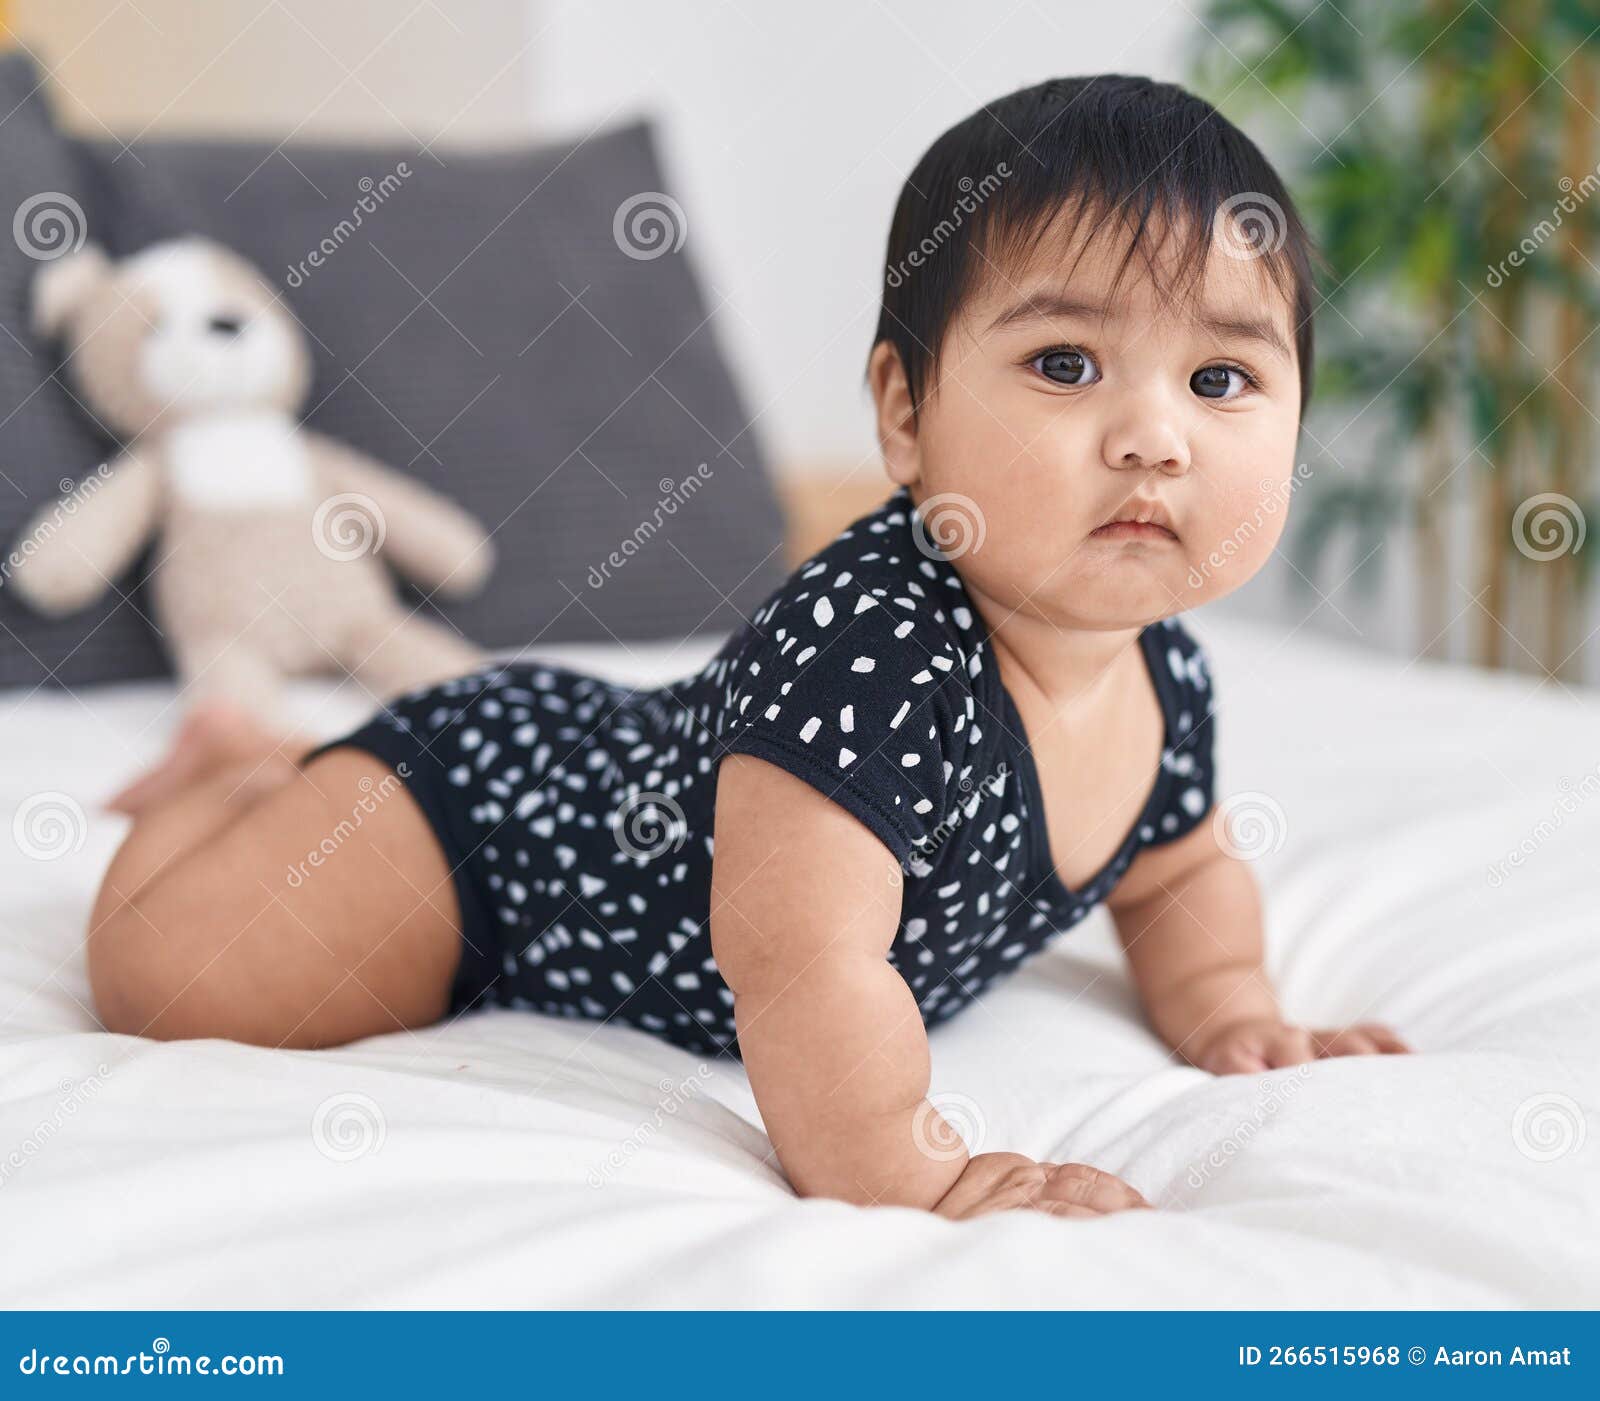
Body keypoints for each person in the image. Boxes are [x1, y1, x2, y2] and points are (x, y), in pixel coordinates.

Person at [86, 74, 1408, 1223]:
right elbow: (803, 963)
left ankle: (282, 761)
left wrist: (1236, 1009)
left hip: (589, 748)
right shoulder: (873, 650)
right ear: (905, 412)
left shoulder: (1163, 669)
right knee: (174, 979)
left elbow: (1175, 880)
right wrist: (916, 1173)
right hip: (489, 835)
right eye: (1066, 362)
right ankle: (240, 777)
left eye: (1221, 380)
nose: (1152, 437)